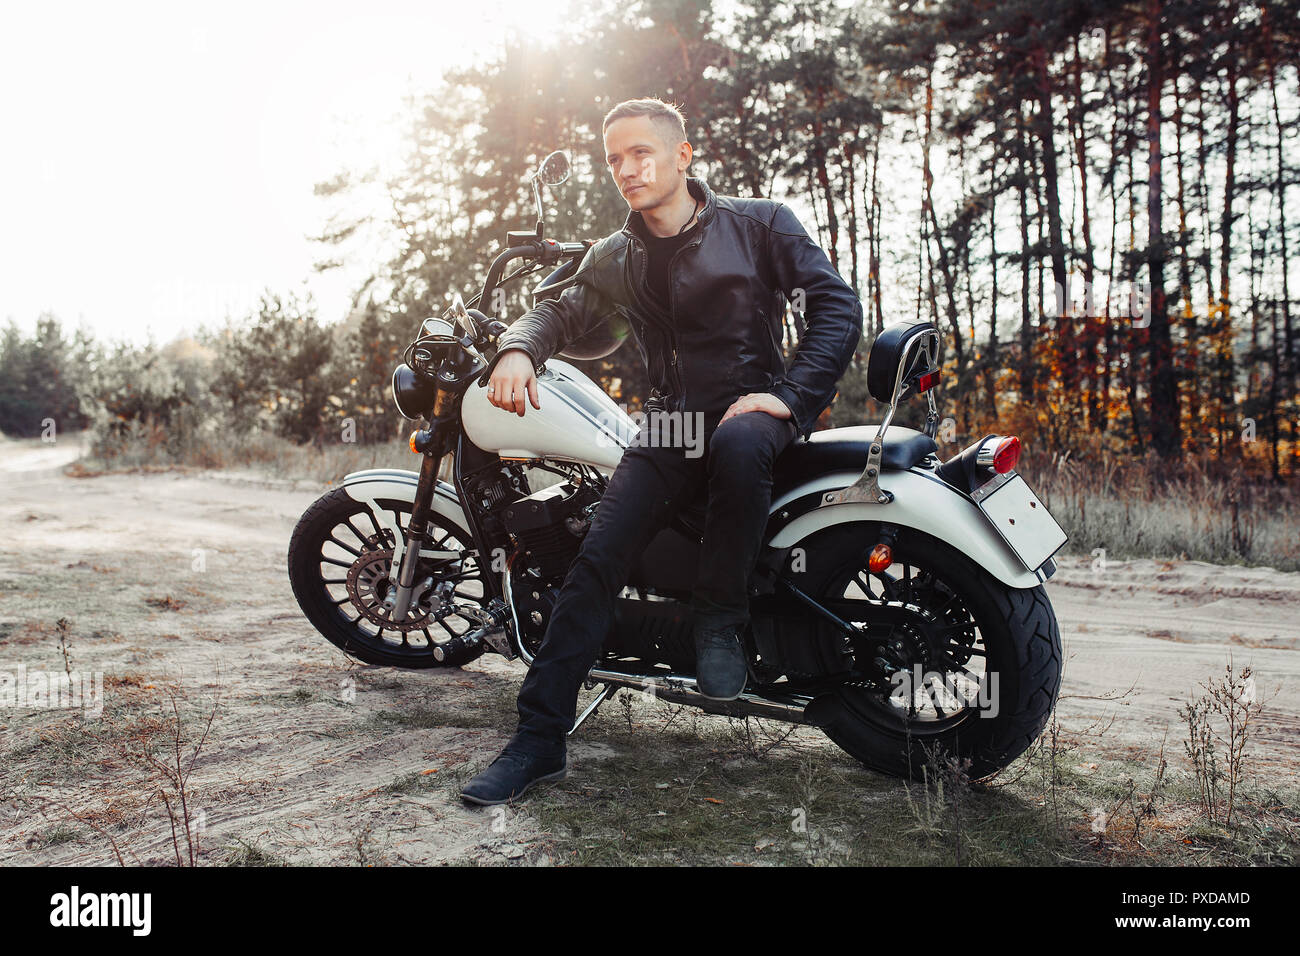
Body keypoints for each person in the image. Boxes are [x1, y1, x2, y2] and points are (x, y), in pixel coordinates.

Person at [460, 97, 862, 805]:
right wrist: (518, 347)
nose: (626, 169)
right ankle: (537, 740)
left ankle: (721, 622)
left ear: (683, 155)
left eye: (641, 152)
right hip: (674, 425)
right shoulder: (619, 255)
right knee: (595, 559)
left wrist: (792, 396)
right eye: (614, 157)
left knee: (739, 439)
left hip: (752, 410)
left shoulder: (760, 224)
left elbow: (835, 304)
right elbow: (559, 307)